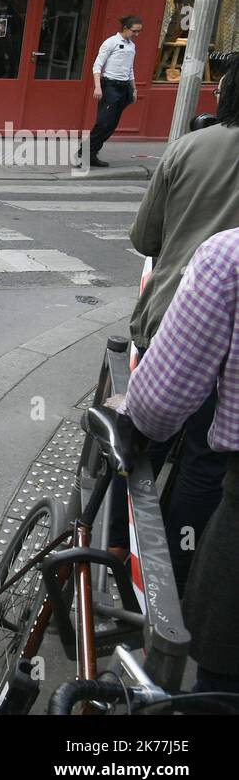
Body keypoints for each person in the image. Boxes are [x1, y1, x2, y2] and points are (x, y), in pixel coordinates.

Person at [111, 67, 239, 590]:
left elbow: (145, 237)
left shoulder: (191, 148)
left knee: (140, 443)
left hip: (173, 319)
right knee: (206, 465)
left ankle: (116, 554)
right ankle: (178, 577)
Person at [119, 226, 239, 694]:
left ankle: (171, 578)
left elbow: (159, 403)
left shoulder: (228, 258)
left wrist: (136, 421)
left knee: (222, 683)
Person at [85, 15, 144, 167]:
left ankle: (92, 153)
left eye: (139, 32)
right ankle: (84, 152)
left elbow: (130, 69)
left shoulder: (132, 46)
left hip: (124, 87)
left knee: (112, 124)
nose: (137, 35)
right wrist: (98, 86)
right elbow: (97, 65)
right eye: (134, 31)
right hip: (110, 85)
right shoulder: (111, 42)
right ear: (125, 28)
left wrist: (134, 88)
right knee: (104, 122)